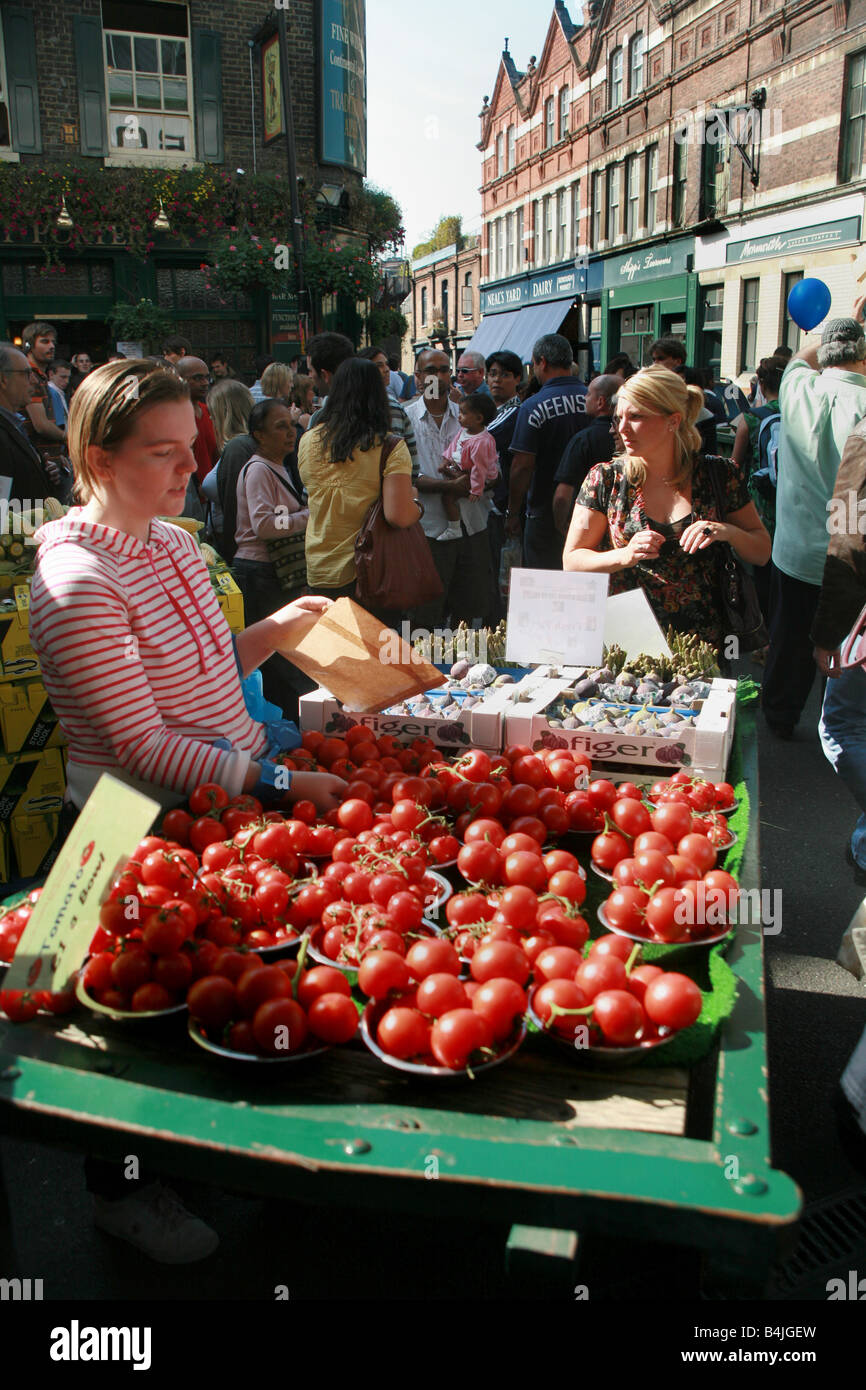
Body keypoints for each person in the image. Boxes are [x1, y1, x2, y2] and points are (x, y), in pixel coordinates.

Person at [28, 360, 346, 1263]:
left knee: (206, 996)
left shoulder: (171, 542)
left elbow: (205, 675)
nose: (186, 467)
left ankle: (192, 1154)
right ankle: (122, 1197)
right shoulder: (75, 582)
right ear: (98, 456)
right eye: (162, 452)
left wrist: (272, 633)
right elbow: (138, 744)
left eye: (191, 446)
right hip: (126, 824)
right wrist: (281, 784)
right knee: (117, 1030)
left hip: (219, 804)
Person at [563, 366, 770, 657]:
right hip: (627, 642)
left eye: (636, 417)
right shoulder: (606, 479)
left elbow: (761, 551)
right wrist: (624, 555)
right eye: (618, 417)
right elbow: (572, 560)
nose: (621, 428)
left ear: (673, 421)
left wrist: (726, 532)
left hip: (703, 646)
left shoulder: (719, 474)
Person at [762, 307, 866, 738]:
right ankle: (839, 722)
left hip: (794, 549)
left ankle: (781, 717)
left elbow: (801, 359)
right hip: (850, 548)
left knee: (788, 638)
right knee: (845, 638)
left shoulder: (797, 386)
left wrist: (839, 322)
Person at [298, 357, 420, 620]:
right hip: (370, 574)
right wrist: (416, 504)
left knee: (331, 655)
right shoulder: (389, 446)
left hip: (320, 570)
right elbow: (398, 516)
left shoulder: (307, 440)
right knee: (374, 658)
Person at [233, 398, 314, 720]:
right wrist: (307, 517)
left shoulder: (280, 466)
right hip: (261, 572)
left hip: (276, 572)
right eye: (279, 427)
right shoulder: (258, 470)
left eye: (291, 425)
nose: (290, 432)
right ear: (259, 435)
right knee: (279, 658)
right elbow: (264, 525)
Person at [406, 348, 494, 628]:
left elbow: (495, 472)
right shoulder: (406, 418)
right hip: (427, 531)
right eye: (431, 370)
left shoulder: (470, 416)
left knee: (467, 618)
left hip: (471, 527)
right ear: (418, 376)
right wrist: (448, 487)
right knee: (425, 620)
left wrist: (469, 483)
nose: (439, 376)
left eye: (445, 370)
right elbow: (402, 476)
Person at [507, 333, 589, 569]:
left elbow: (522, 466)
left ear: (542, 362)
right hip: (590, 512)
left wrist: (513, 512)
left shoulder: (532, 406)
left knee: (543, 585)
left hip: (543, 513)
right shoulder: (593, 399)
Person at [731, 356, 786, 623]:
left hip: (760, 502)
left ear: (760, 384)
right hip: (792, 502)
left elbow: (733, 466)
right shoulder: (799, 414)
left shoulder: (750, 418)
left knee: (761, 567)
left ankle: (761, 630)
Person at [552, 374, 620, 535]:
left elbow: (563, 495)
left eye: (588, 394)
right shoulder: (633, 438)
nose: (585, 398)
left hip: (587, 526)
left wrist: (561, 525)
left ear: (601, 402)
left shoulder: (583, 440)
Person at [486, 350, 524, 620]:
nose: (497, 380)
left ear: (517, 379)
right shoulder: (492, 410)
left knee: (502, 576)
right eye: (493, 374)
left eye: (505, 375)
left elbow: (481, 437)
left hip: (503, 505)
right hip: (491, 506)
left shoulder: (513, 412)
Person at [0, 343, 62, 507]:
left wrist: (43, 469)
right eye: (27, 374)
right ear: (3, 379)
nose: (34, 381)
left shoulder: (15, 424)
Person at [203, 378, 256, 560]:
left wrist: (230, 551)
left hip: (236, 551)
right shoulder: (237, 447)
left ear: (224, 413)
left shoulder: (237, 449)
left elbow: (235, 509)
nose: (210, 418)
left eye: (212, 412)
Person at [437, 391, 499, 541]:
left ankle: (454, 528)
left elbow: (480, 468)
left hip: (480, 476)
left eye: (463, 413)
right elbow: (454, 445)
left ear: (478, 418)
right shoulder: (465, 431)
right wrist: (446, 460)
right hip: (464, 468)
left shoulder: (481, 442)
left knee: (448, 497)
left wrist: (476, 490)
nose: (459, 416)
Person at [357, 345, 419, 480]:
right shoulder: (389, 406)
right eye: (379, 365)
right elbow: (404, 456)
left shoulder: (392, 405)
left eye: (386, 365)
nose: (386, 370)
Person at [177, 356, 218, 485]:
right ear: (179, 379)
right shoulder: (173, 416)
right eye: (198, 378)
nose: (205, 383)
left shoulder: (208, 411)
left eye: (207, 377)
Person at [307, 332, 355, 423]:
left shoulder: (319, 420)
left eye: (310, 371)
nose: (309, 377)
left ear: (325, 375)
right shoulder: (380, 406)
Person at [46, 360, 71, 428]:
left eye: (68, 377)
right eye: (63, 377)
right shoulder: (53, 393)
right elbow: (60, 424)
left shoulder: (57, 392)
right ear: (51, 374)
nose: (67, 381)